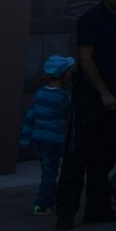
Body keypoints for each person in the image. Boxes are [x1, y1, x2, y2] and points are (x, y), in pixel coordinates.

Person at [55, 0, 116, 229]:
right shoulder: (90, 20)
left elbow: (115, 57)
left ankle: (98, 208)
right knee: (78, 154)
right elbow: (86, 59)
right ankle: (66, 212)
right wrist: (103, 92)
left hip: (111, 90)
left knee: (105, 153)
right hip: (90, 94)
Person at [22, 55, 75, 215]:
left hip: (38, 137)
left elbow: (30, 115)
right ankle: (42, 204)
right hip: (53, 139)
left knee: (47, 169)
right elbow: (71, 115)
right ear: (64, 75)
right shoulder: (63, 97)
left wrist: (25, 138)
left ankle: (50, 201)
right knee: (50, 172)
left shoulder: (39, 94)